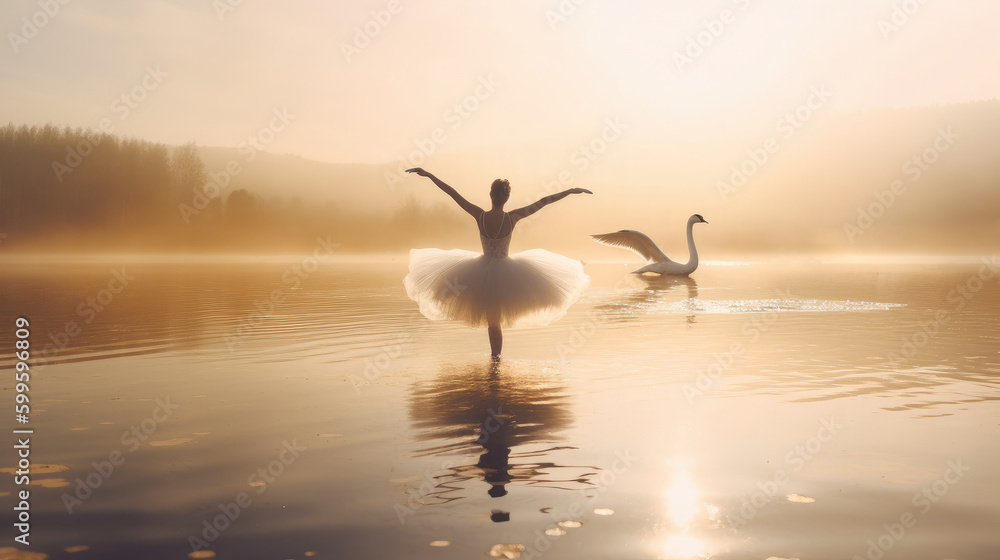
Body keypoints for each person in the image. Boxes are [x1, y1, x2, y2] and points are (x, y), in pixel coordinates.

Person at [403, 168, 592, 359]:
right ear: (507, 198)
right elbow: (543, 202)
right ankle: (496, 359)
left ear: (490, 195)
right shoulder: (512, 217)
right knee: (495, 321)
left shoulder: (480, 215)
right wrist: (569, 191)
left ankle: (495, 359)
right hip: (506, 274)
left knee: (492, 322)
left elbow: (452, 193)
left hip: (479, 273)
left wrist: (429, 175)